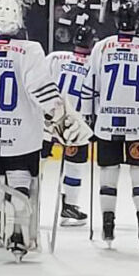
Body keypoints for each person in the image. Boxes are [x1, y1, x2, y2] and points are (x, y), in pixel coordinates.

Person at [0, 0, 88, 260]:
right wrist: (65, 123)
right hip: (20, 138)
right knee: (19, 185)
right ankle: (16, 238)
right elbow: (43, 94)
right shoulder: (31, 51)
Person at [81, 0, 139, 249]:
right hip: (138, 124)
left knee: (108, 175)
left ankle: (107, 228)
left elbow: (90, 87)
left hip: (106, 121)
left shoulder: (101, 47)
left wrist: (88, 117)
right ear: (138, 20)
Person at [44, 24, 95, 226]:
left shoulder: (56, 58)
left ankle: (28, 202)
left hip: (48, 120)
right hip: (74, 124)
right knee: (74, 166)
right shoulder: (93, 65)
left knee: (36, 165)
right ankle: (69, 207)